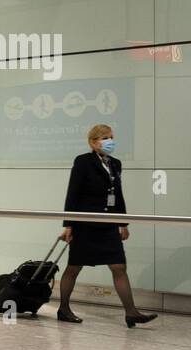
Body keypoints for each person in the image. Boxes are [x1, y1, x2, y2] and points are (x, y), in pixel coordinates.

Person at [57, 124, 157, 328]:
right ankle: (64, 308)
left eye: (111, 137)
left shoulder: (115, 163)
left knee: (119, 266)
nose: (110, 141)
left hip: (108, 224)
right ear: (93, 142)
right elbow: (72, 194)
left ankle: (131, 312)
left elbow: (118, 195)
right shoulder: (83, 162)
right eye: (104, 138)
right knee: (74, 267)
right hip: (85, 224)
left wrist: (123, 223)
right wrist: (68, 225)